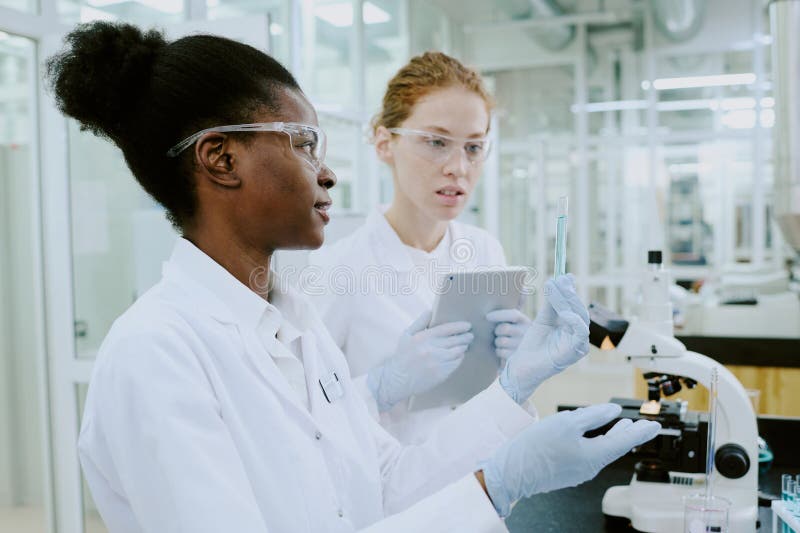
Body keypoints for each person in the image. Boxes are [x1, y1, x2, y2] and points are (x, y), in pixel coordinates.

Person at [47, 22, 660, 533]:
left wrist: (511, 408)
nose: (327, 174)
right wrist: (493, 484)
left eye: (474, 147)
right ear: (221, 159)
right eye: (304, 143)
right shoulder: (156, 353)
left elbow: (381, 487)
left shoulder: (294, 327)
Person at [308, 52, 575, 443]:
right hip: (386, 496)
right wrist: (382, 387)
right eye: (436, 142)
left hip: (479, 485)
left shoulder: (485, 252)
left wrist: (518, 372)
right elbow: (308, 415)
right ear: (385, 143)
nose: (458, 168)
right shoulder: (337, 269)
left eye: (473, 147)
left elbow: (490, 398)